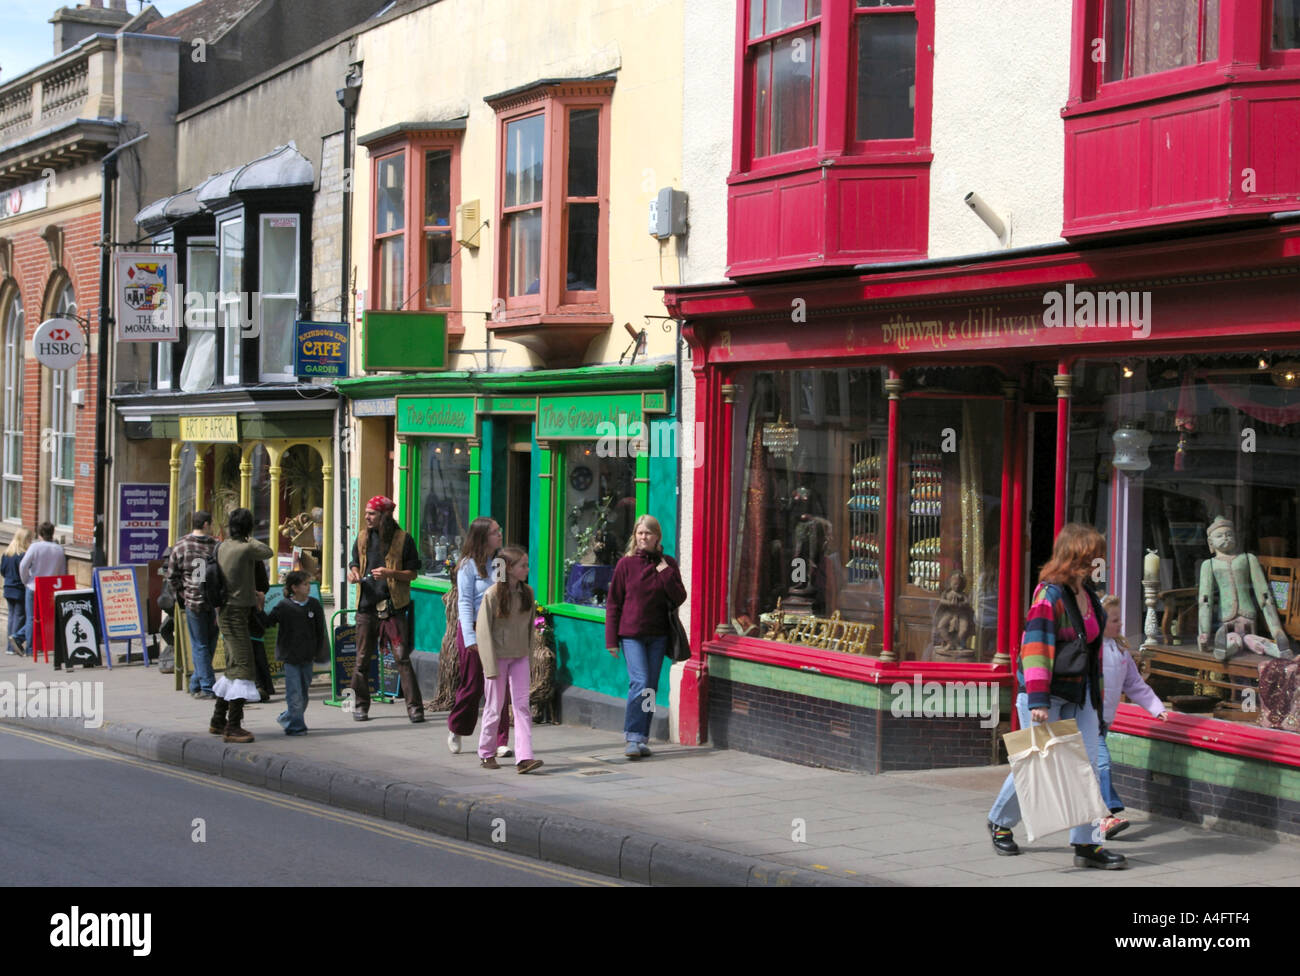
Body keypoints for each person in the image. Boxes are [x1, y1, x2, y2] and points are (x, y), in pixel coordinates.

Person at [986, 523, 1126, 869]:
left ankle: (1087, 845)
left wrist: (1100, 704)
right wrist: (1037, 701)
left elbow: (1093, 655)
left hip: (1081, 694)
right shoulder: (1048, 596)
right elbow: (1035, 648)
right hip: (1048, 696)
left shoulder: (1090, 596)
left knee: (1088, 767)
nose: (1100, 562)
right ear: (1077, 556)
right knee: (1039, 764)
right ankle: (1001, 822)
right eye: (1096, 556)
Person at [605, 514, 686, 760]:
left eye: (648, 533)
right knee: (639, 683)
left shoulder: (667, 564)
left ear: (657, 537)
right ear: (635, 536)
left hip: (658, 634)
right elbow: (613, 603)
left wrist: (663, 570)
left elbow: (679, 596)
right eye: (640, 533)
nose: (643, 537)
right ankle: (632, 735)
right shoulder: (625, 565)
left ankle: (643, 737)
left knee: (650, 687)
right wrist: (611, 640)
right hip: (632, 635)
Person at [346, 496, 424, 723]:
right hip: (366, 606)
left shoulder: (403, 539)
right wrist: (353, 572)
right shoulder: (362, 537)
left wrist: (390, 573)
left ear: (384, 516)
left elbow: (412, 573)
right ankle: (360, 706)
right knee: (361, 659)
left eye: (372, 513)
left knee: (402, 658)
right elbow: (353, 561)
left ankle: (414, 708)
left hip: (393, 607)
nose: (367, 517)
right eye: (366, 513)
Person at [1096, 594, 1169, 839]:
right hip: (1086, 719)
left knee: (1093, 768)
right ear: (1100, 620)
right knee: (1102, 763)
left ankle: (1098, 817)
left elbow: (1136, 685)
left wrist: (1157, 708)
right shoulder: (1089, 649)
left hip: (1104, 722)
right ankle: (1106, 816)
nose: (1120, 624)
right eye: (1115, 620)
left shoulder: (1120, 651)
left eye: (1120, 619)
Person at [475, 546, 543, 773]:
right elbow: (483, 632)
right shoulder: (492, 595)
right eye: (523, 565)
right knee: (495, 706)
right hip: (497, 658)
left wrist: (530, 658)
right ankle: (486, 752)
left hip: (520, 656)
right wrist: (490, 666)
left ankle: (524, 757)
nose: (527, 569)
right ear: (510, 569)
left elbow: (530, 631)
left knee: (523, 706)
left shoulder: (528, 593)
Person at [209, 507, 273, 744]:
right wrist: (249, 536)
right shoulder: (247, 548)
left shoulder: (223, 546)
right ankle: (233, 726)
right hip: (236, 614)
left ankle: (218, 720)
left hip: (228, 611)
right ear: (248, 528)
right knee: (245, 668)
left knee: (233, 666)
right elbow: (269, 551)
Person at [447, 516, 510, 755]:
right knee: (472, 685)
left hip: (496, 628)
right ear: (483, 537)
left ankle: (500, 739)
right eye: (495, 532)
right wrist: (470, 637)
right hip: (473, 627)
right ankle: (457, 726)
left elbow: (505, 595)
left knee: (499, 684)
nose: (500, 535)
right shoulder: (467, 565)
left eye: (499, 530)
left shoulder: (500, 562)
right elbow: (463, 602)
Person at [255, 570, 325, 736]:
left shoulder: (313, 605)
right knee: (294, 693)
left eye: (309, 584)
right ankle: (296, 727)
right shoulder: (284, 606)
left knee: (304, 694)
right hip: (290, 657)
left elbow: (319, 631)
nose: (308, 587)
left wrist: (318, 652)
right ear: (294, 587)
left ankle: (288, 717)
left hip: (307, 656)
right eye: (305, 584)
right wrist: (260, 607)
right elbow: (267, 622)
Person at [167, 511, 220, 698]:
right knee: (207, 644)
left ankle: (196, 682)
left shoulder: (181, 546)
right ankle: (207, 685)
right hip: (213, 602)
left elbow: (172, 576)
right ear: (206, 524)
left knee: (201, 644)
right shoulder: (215, 546)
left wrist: (181, 593)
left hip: (193, 600)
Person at [19, 522, 67, 654]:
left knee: (31, 618)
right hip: (50, 587)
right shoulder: (59, 549)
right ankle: (42, 644)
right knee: (47, 617)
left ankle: (30, 648)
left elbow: (23, 565)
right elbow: (62, 571)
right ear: (52, 533)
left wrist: (25, 580)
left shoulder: (35, 547)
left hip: (34, 585)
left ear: (40, 534)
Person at [3, 528, 32, 655]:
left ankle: (9, 646)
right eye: (30, 539)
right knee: (19, 617)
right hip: (19, 588)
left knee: (11, 616)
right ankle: (12, 646)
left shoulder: (7, 553)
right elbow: (25, 572)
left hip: (8, 587)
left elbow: (2, 570)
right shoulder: (22, 555)